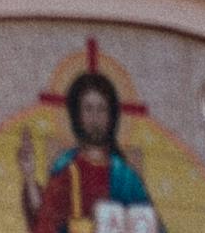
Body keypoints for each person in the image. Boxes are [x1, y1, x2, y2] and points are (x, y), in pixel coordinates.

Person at [17, 69, 155, 228]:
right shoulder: (68, 169)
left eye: (101, 109)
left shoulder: (126, 178)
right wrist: (29, 177)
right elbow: (46, 219)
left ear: (111, 117)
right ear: (78, 115)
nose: (95, 117)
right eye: (88, 108)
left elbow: (151, 225)